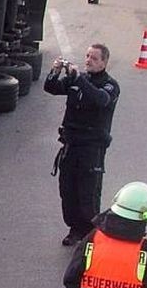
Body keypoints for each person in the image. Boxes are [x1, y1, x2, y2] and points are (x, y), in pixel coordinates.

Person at [44, 44, 120, 247]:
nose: (88, 61)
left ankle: (91, 232)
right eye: (87, 56)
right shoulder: (80, 80)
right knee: (68, 190)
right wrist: (55, 71)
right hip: (71, 144)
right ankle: (74, 229)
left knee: (88, 193)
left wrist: (78, 79)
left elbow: (100, 100)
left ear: (104, 62)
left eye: (94, 58)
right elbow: (51, 88)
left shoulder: (110, 85)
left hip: (91, 149)